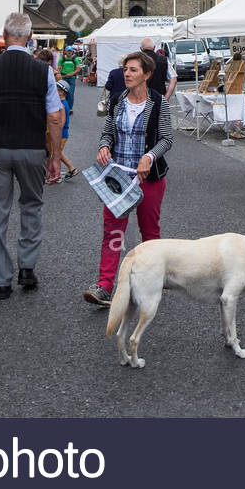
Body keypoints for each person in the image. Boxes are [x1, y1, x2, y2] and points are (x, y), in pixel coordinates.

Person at [0, 13, 64, 300]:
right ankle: (27, 268)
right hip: (32, 149)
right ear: (30, 37)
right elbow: (54, 117)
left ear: (4, 37)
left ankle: (1, 281)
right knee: (31, 205)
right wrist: (55, 156)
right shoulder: (42, 71)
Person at [84, 50, 174, 306]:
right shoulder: (117, 100)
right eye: (125, 69)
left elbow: (167, 139)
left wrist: (150, 156)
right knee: (113, 231)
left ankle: (151, 283)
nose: (127, 74)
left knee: (149, 233)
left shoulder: (159, 103)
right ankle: (104, 286)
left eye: (133, 70)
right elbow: (108, 131)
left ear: (146, 75)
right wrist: (104, 146)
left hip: (149, 178)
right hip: (118, 178)